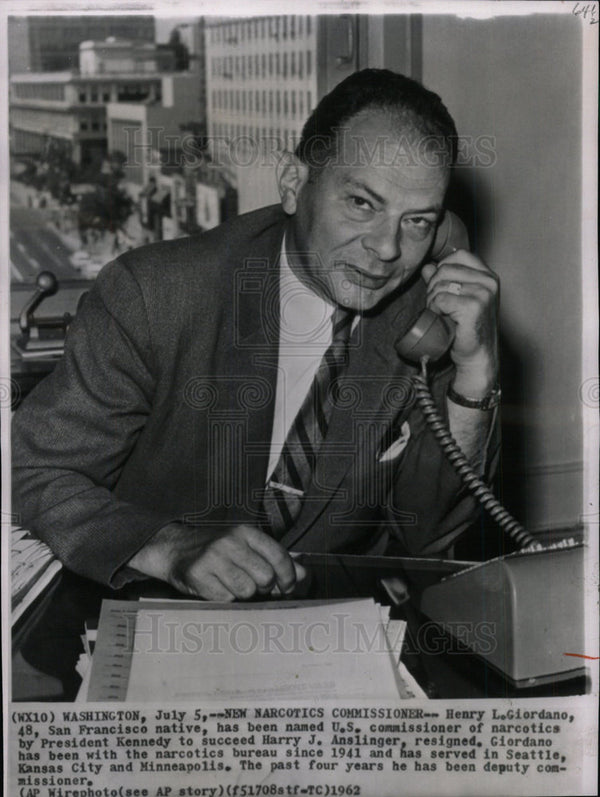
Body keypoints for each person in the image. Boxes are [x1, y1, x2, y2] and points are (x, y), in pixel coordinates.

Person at [13, 69, 499, 603]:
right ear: (293, 183)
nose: (386, 250)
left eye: (418, 222)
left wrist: (476, 372)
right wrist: (167, 547)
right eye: (362, 203)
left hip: (332, 625)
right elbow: (36, 472)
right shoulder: (154, 295)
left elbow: (428, 538)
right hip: (155, 611)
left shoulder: (423, 322)